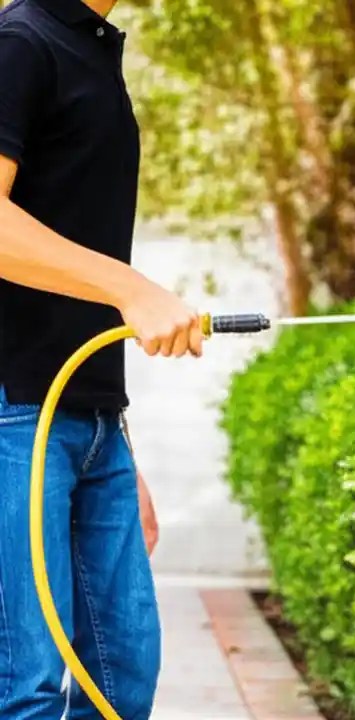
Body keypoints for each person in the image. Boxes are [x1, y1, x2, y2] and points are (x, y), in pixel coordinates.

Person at [0, 0, 206, 714]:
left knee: (119, 680)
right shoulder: (20, 41)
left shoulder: (89, 48)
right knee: (21, 687)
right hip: (13, 414)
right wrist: (133, 289)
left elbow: (70, 268)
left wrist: (113, 441)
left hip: (86, 420)